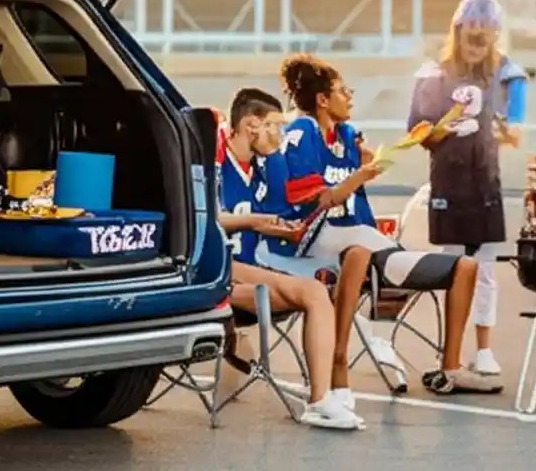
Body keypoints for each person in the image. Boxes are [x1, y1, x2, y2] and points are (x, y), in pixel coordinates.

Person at [273, 54, 502, 396]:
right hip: (316, 242)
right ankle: (339, 365)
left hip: (362, 241)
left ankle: (450, 369)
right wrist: (362, 174)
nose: (349, 96)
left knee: (465, 267)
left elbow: (379, 155)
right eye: (342, 90)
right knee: (362, 247)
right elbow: (316, 200)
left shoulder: (347, 135)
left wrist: (434, 132)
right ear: (323, 100)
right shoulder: (302, 132)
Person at [211, 100, 363, 430]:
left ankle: (320, 397)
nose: (282, 135)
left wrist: (278, 224)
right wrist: (255, 222)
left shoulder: (263, 166)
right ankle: (320, 397)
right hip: (215, 268)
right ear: (252, 125)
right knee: (291, 294)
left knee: (314, 292)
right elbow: (207, 221)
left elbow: (285, 204)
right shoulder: (216, 161)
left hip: (243, 268)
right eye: (276, 126)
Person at [404, 0, 528, 376]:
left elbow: (516, 133)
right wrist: (444, 127)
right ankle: (450, 349)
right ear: (456, 31)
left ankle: (485, 348)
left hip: (485, 180)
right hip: (448, 180)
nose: (477, 38)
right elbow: (416, 131)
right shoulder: (433, 73)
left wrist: (494, 126)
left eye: (485, 31)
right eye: (470, 30)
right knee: (453, 264)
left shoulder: (509, 74)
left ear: (495, 33)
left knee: (486, 267)